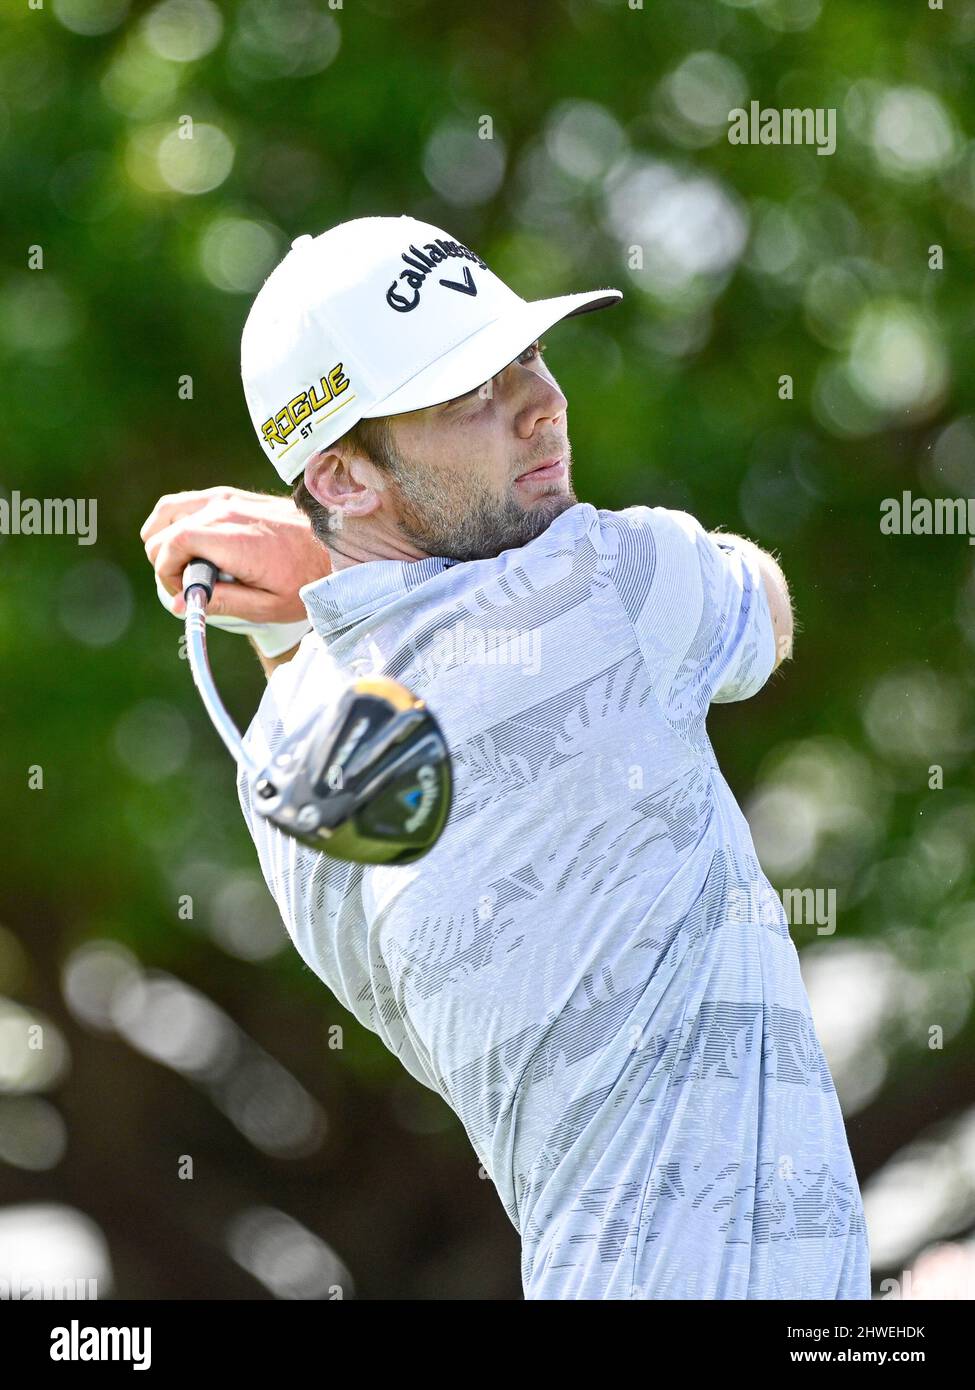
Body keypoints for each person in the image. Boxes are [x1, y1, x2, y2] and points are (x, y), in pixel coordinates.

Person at [142, 214, 871, 1299]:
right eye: (468, 389)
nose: (541, 403)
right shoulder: (602, 585)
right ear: (341, 476)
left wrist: (310, 596)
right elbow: (762, 607)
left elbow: (336, 665)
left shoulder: (285, 773)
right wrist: (317, 581)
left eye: (526, 352)